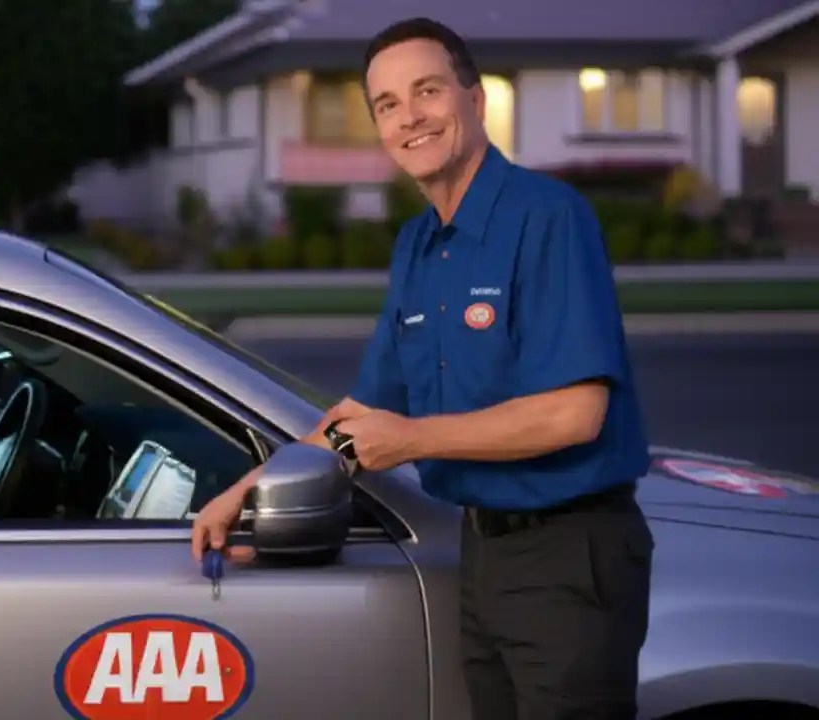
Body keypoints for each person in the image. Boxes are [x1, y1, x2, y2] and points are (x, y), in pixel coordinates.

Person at [190, 15, 655, 720]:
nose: (410, 117)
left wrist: (413, 440)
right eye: (387, 105)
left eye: (428, 91)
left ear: (476, 99)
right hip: (481, 556)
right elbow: (359, 422)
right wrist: (248, 493)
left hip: (568, 555)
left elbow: (575, 414)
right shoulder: (417, 247)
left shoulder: (547, 217)